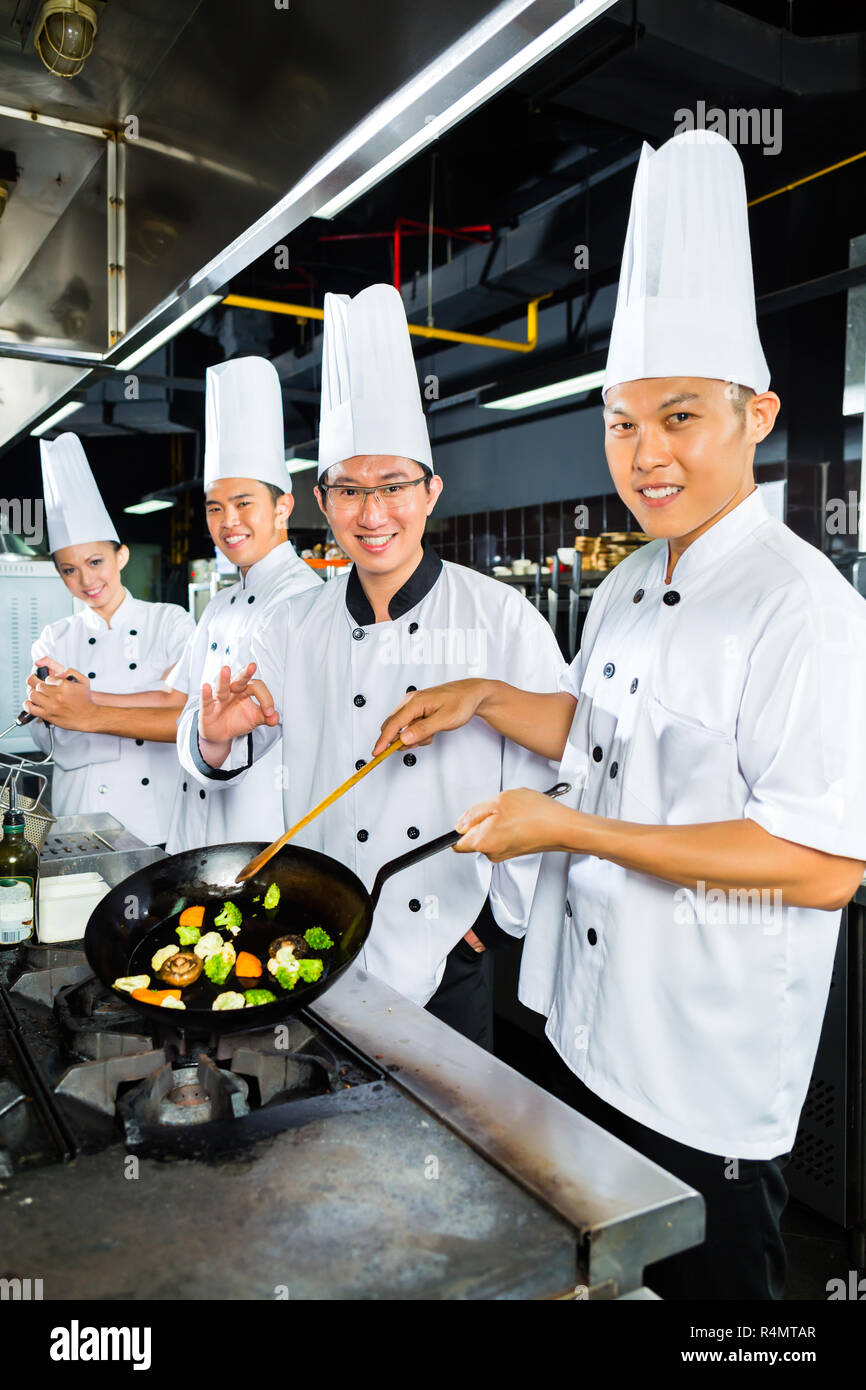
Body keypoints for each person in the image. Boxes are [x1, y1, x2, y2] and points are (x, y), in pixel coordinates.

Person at [373, 131, 866, 1298]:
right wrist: (489, 698)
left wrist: (570, 832)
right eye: (619, 420)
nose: (641, 455)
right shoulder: (629, 581)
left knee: (713, 1308)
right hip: (580, 1031)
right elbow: (604, 736)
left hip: (697, 1068)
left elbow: (819, 865)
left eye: (677, 417)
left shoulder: (804, 609)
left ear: (757, 414)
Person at [176, 284, 566, 1047]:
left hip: (446, 942)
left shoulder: (497, 617)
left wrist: (490, 909)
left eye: (393, 487)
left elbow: (559, 764)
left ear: (431, 493)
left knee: (447, 1151)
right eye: (350, 490)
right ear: (322, 499)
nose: (372, 512)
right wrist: (220, 734)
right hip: (318, 934)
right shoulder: (292, 622)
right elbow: (233, 752)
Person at [25, 358, 321, 852]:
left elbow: (235, 733)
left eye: (244, 502)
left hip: (260, 839)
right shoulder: (221, 605)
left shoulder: (302, 603)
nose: (229, 522)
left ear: (283, 505)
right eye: (214, 507)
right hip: (195, 835)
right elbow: (181, 705)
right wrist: (74, 704)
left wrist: (90, 712)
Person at [29, 434, 194, 845]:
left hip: (158, 815)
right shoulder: (55, 637)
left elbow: (187, 713)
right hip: (80, 818)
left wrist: (84, 705)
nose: (86, 580)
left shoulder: (170, 621)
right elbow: (51, 735)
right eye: (68, 570)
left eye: (95, 561)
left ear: (121, 555)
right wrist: (152, 696)